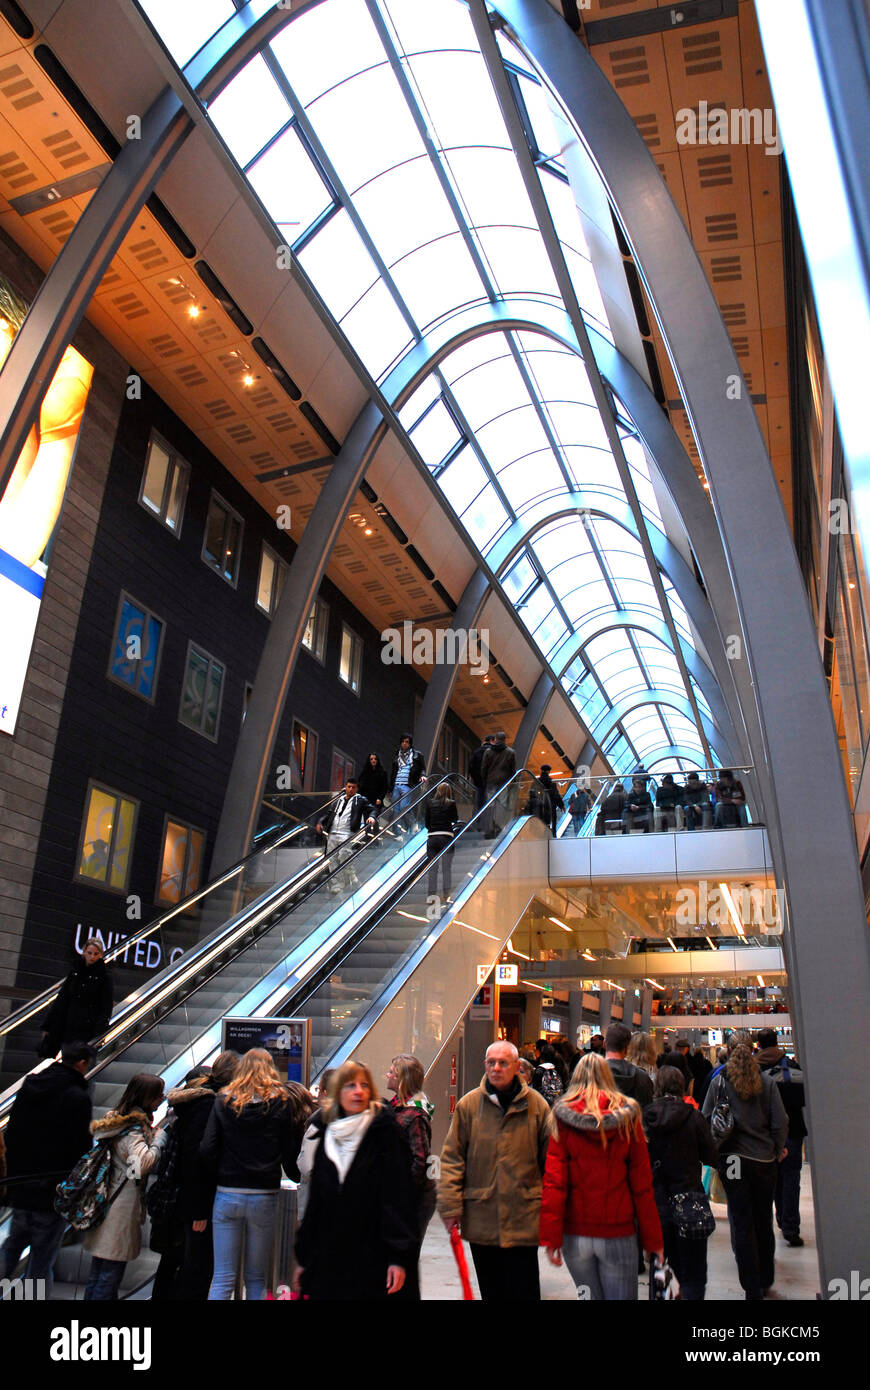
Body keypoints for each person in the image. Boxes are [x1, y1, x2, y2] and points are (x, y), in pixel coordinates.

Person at [539, 1054, 663, 1300]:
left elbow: (554, 1183)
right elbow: (642, 1186)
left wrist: (551, 1237)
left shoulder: (561, 1118)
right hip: (618, 1233)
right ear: (609, 1078)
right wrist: (653, 1239)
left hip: (576, 1238)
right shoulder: (628, 1118)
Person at [294, 1060, 417, 1299]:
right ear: (338, 1092)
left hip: (373, 1255)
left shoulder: (385, 1133)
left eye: (364, 1085)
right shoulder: (326, 1131)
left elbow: (398, 1199)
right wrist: (305, 1256)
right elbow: (317, 1202)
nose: (358, 1091)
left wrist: (398, 1257)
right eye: (350, 1085)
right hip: (330, 1256)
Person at [439, 1041, 550, 1300]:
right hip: (482, 1216)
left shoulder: (537, 1106)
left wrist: (553, 1208)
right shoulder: (469, 1106)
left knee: (524, 1290)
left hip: (523, 1216)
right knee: (492, 1290)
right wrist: (450, 1205)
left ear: (516, 1067)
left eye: (503, 1063)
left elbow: (551, 1161)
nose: (496, 1068)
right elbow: (452, 1157)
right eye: (491, 1063)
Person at [200, 1048, 310, 1300]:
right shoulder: (280, 1102)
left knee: (223, 1277)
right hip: (264, 1193)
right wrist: (294, 1175)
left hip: (227, 1193)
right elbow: (287, 1148)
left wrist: (221, 1171)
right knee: (256, 1277)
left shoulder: (223, 1100)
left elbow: (207, 1147)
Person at [0, 1040, 96, 1293]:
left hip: (20, 1185)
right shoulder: (77, 1097)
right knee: (42, 1257)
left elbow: (13, 1133)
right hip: (52, 1189)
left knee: (12, 1246)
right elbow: (80, 1147)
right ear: (82, 1063)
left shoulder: (31, 1086)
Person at [701, 1044, 788, 1300]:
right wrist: (777, 1148)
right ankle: (765, 1278)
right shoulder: (766, 1082)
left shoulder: (720, 1082)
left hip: (733, 1160)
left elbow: (706, 1116)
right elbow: (780, 1122)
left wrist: (713, 1152)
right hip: (763, 1159)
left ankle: (750, 1285)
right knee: (763, 1218)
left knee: (741, 1220)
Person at [153, 1050, 239, 1301]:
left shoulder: (193, 1104)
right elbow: (196, 1159)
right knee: (196, 1267)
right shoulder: (208, 1106)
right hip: (193, 1200)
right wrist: (199, 1210)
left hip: (180, 1194)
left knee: (175, 1261)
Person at [83, 1073, 167, 1300]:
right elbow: (141, 1164)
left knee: (98, 1273)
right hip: (120, 1208)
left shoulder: (116, 1120)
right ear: (146, 1097)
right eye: (158, 1094)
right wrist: (159, 1140)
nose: (162, 1098)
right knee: (108, 1275)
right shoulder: (133, 1129)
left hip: (105, 1201)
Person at [644, 1066, 719, 1300]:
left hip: (657, 1204)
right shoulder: (693, 1116)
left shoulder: (646, 1117)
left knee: (660, 1267)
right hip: (690, 1200)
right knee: (695, 1272)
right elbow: (711, 1156)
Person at [385, 1054, 437, 1300]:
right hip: (402, 1196)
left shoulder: (414, 1115)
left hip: (412, 1199)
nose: (387, 1074)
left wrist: (405, 1194)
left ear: (402, 1078)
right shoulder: (397, 1106)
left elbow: (420, 1157)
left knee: (405, 1257)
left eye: (392, 1072)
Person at [756, 1028, 807, 1248]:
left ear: (758, 1045)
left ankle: (779, 1218)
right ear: (777, 1043)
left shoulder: (757, 1071)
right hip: (793, 1131)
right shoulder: (792, 1067)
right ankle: (791, 1227)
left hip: (767, 1134)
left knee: (773, 1178)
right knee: (792, 1179)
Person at [38, 937, 113, 1058]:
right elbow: (62, 1000)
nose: (92, 957)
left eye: (96, 954)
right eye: (89, 953)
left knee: (80, 1061)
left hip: (88, 1029)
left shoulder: (104, 976)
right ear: (84, 952)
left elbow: (106, 1007)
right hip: (68, 1025)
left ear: (101, 955)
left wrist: (99, 1033)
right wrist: (48, 1026)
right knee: (67, 1059)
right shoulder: (75, 972)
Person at [315, 776, 377, 892]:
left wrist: (372, 817)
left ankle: (351, 875)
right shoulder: (339, 800)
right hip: (332, 832)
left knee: (344, 854)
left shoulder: (360, 800)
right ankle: (337, 884)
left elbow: (372, 809)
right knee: (331, 859)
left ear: (357, 789)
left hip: (347, 832)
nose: (350, 789)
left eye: (353, 787)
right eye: (348, 787)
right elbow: (329, 814)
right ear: (345, 787)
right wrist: (320, 822)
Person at [604, 1023, 654, 1109]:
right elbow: (647, 1112)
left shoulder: (590, 1074)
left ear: (604, 1044)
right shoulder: (643, 1077)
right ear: (627, 1048)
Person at [424, 780, 458, 901]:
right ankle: (446, 895)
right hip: (447, 838)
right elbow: (455, 819)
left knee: (433, 869)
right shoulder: (451, 803)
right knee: (446, 868)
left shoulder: (430, 803)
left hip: (432, 838)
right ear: (449, 792)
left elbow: (426, 823)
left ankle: (431, 897)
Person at [480, 731, 516, 837]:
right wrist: (512, 782)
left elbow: (484, 768)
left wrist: (484, 780)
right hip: (504, 783)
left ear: (495, 739)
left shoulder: (488, 752)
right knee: (501, 806)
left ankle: (489, 829)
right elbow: (512, 770)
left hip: (491, 782)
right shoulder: (510, 752)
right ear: (505, 740)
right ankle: (499, 827)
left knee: (490, 805)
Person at [389, 734, 426, 816]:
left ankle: (413, 825)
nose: (404, 743)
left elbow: (422, 768)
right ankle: (397, 829)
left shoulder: (417, 754)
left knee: (404, 808)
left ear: (410, 744)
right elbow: (393, 772)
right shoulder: (397, 754)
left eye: (407, 742)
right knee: (395, 810)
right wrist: (390, 788)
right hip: (396, 784)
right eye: (402, 742)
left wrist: (423, 775)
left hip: (407, 784)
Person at [469, 734, 495, 814]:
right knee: (491, 801)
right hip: (491, 781)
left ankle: (479, 818)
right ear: (491, 741)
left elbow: (471, 767)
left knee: (480, 800)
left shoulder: (477, 751)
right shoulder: (494, 752)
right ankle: (488, 820)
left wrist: (475, 778)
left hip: (479, 781)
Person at [537, 765, 564, 835]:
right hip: (550, 806)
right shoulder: (551, 782)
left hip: (539, 806)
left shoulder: (536, 781)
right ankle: (552, 836)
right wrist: (561, 805)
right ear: (548, 771)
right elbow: (555, 795)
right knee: (552, 822)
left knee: (541, 822)